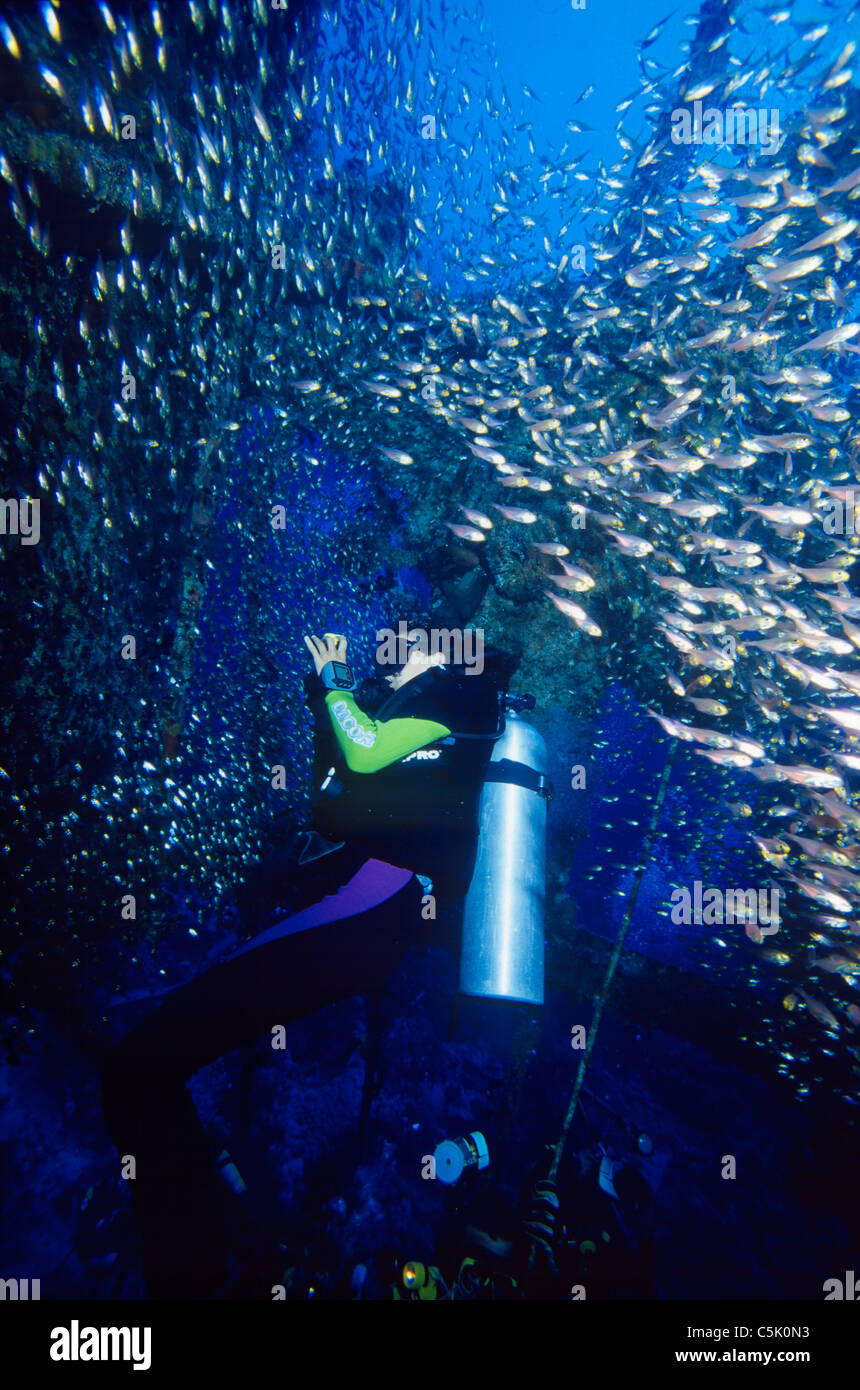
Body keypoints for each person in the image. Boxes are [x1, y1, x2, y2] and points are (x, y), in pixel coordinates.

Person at [101, 628, 519, 1298]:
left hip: (369, 913)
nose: (397, 653)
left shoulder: (459, 693)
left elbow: (363, 748)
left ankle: (193, 1283)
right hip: (367, 918)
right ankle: (199, 1277)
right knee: (145, 1071)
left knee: (142, 1071)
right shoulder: (441, 722)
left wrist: (334, 683)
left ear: (447, 652)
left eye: (410, 644)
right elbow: (335, 799)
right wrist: (320, 698)